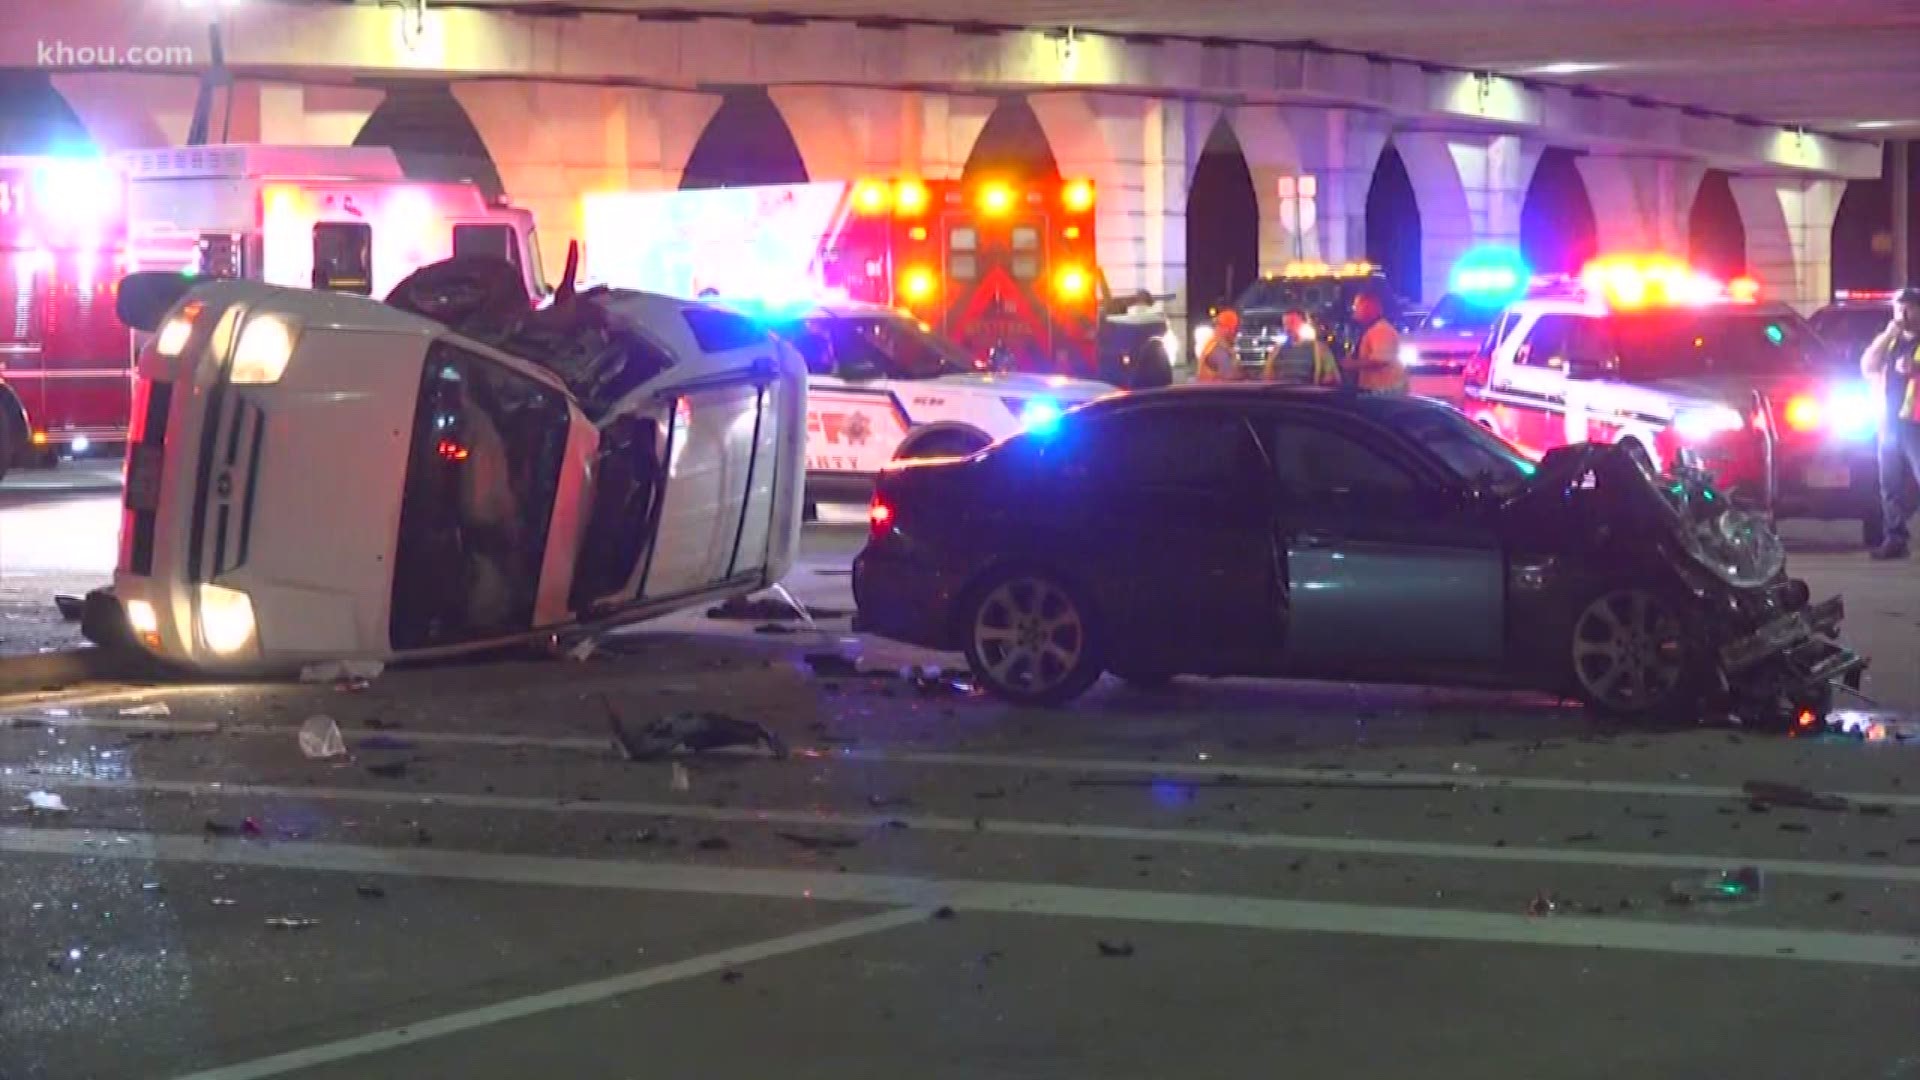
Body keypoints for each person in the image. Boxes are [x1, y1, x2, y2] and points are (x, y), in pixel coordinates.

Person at [1862, 287, 1920, 559]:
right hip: (1889, 422)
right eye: (1899, 308)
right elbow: (1867, 365)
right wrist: (1888, 334)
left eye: (1908, 307)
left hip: (1916, 424)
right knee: (1890, 484)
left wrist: (1916, 369)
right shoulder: (1892, 342)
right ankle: (1895, 539)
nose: (1903, 313)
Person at [1346, 288, 1408, 393]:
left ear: (1367, 308)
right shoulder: (1373, 329)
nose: (1354, 310)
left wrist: (1351, 364)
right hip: (1378, 391)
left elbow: (1380, 360)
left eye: (1356, 306)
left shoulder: (1381, 330)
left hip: (1385, 392)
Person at [1263, 309, 1341, 386]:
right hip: (1282, 395)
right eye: (1286, 323)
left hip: (1307, 395)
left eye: (1292, 322)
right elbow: (1268, 375)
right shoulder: (1277, 350)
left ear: (1304, 324)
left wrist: (1322, 385)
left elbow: (1331, 375)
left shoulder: (1319, 349)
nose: (1288, 327)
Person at [1195, 308, 1243, 383]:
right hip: (1214, 393)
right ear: (1228, 329)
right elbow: (1229, 378)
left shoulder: (1216, 345)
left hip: (1211, 392)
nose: (1236, 333)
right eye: (1236, 328)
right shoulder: (1218, 351)